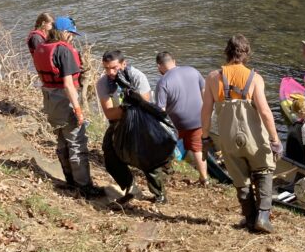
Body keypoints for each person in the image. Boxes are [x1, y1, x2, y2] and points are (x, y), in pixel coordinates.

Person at [200, 35, 281, 233]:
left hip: (228, 136)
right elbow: (264, 112)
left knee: (240, 177)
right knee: (263, 170)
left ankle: (249, 218)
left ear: (226, 52)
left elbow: (206, 111)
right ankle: (263, 216)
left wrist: (204, 137)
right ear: (247, 54)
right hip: (254, 136)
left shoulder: (212, 78)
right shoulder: (255, 78)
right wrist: (275, 139)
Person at [32, 16, 101, 197]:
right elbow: (69, 85)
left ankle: (70, 181)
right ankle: (84, 187)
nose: (72, 37)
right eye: (71, 33)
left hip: (49, 100)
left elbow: (42, 78)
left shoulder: (41, 47)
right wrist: (78, 109)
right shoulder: (63, 51)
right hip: (65, 101)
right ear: (64, 32)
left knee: (62, 140)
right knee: (77, 142)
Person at [97, 50, 172, 205]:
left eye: (114, 68)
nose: (110, 72)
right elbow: (109, 114)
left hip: (141, 122)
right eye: (106, 68)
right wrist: (127, 109)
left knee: (146, 156)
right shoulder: (103, 83)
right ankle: (130, 187)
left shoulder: (137, 76)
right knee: (109, 153)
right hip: (117, 122)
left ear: (124, 64)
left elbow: (144, 103)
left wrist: (129, 103)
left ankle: (160, 194)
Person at [154, 51, 209, 186]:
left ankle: (167, 172)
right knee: (197, 149)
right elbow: (205, 93)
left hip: (177, 124)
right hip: (198, 120)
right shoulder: (193, 71)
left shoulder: (162, 82)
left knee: (164, 146)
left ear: (159, 66)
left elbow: (160, 110)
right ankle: (204, 179)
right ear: (174, 61)